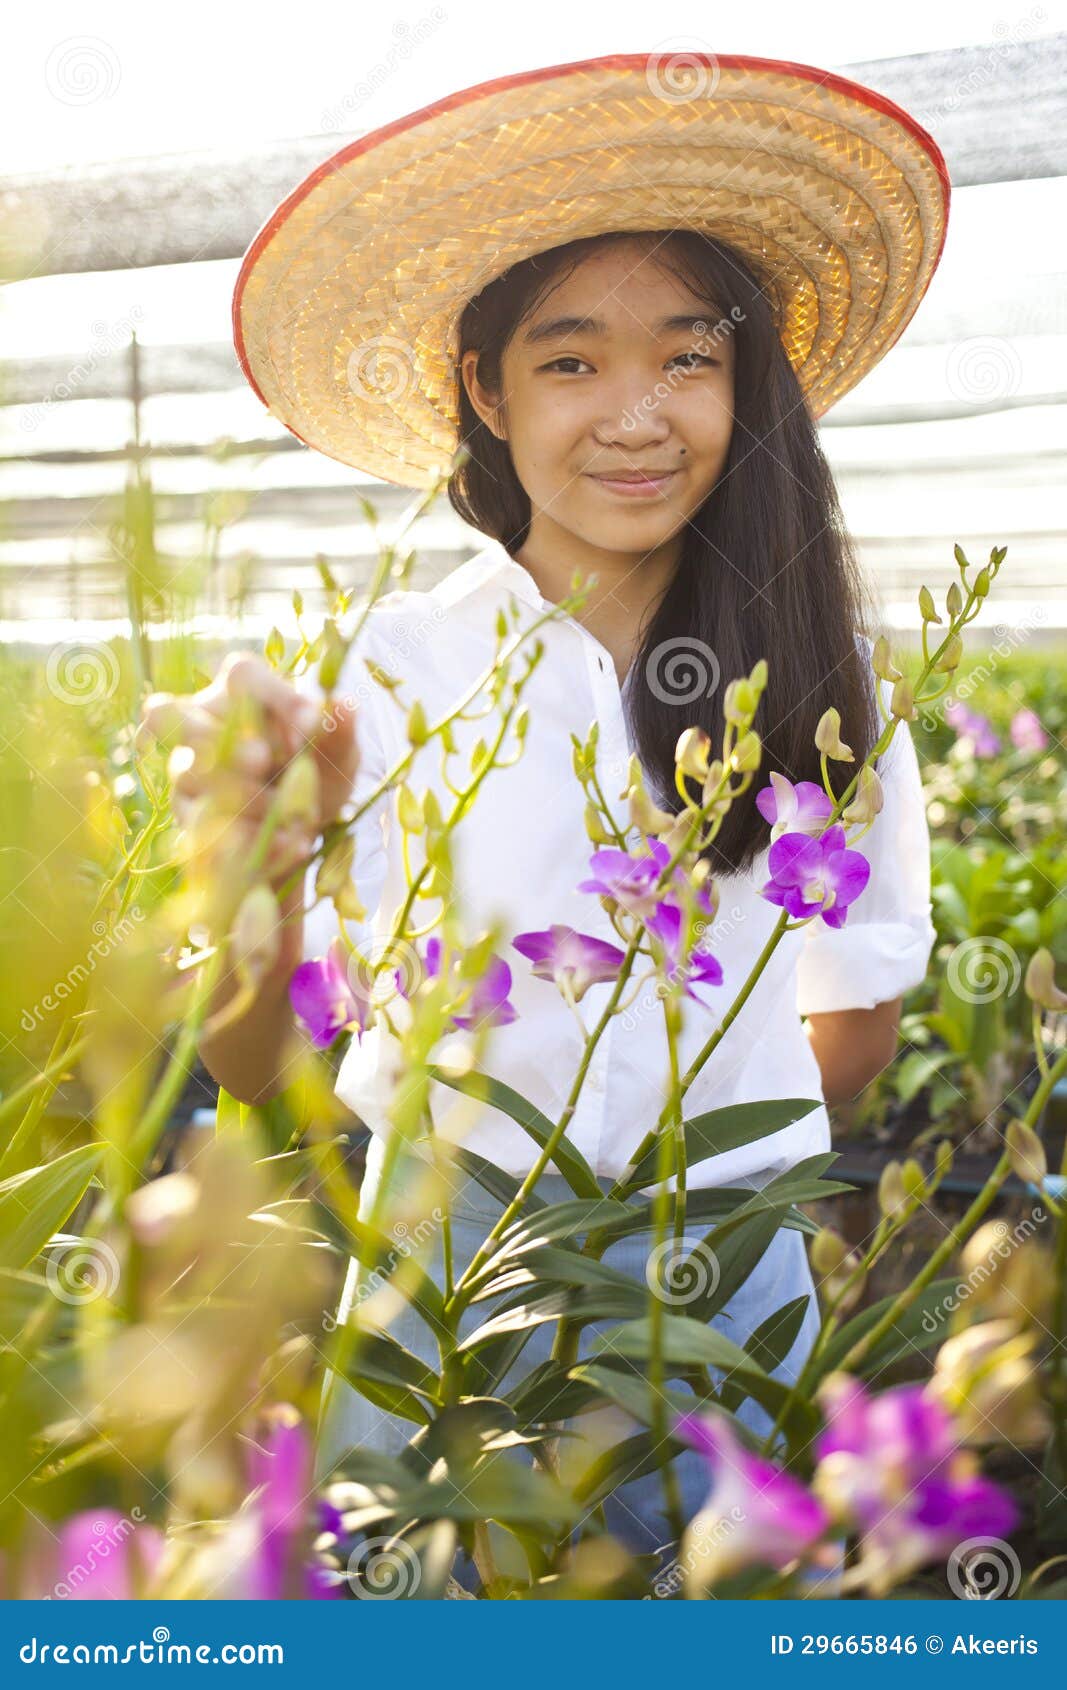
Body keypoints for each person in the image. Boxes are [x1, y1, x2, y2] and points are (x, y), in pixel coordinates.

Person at [144, 54, 948, 1582]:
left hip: (731, 1253)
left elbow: (852, 1026)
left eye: (687, 357)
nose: (635, 416)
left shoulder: (831, 684)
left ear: (745, 379)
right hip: (445, 1245)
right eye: (571, 361)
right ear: (485, 388)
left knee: (703, 1612)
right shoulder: (397, 667)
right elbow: (258, 1062)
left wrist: (697, 1133)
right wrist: (254, 877)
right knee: (441, 1597)